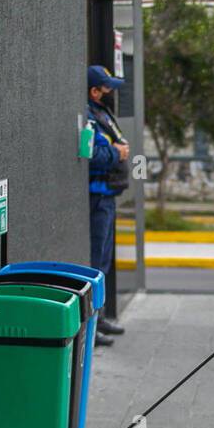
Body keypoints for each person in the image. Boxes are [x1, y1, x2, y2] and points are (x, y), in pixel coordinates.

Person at [87, 64, 128, 346]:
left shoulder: (102, 111)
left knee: (104, 260)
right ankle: (92, 326)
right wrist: (116, 152)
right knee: (96, 260)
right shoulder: (89, 116)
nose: (111, 91)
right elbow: (90, 153)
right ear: (94, 90)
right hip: (98, 196)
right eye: (107, 87)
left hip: (108, 195)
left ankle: (99, 318)